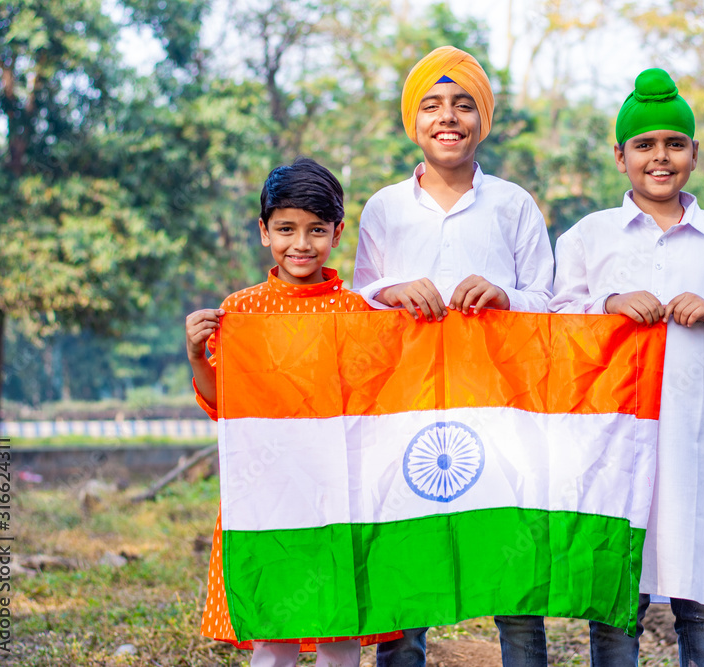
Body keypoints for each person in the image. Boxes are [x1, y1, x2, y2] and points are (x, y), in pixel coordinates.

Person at [548, 68, 704, 667]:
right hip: (614, 451)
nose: (660, 157)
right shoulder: (587, 238)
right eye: (644, 145)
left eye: (674, 143)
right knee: (619, 604)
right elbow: (555, 324)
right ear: (620, 155)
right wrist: (609, 306)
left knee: (703, 601)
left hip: (695, 449)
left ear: (694, 154)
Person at [353, 46, 555, 667]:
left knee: (514, 571)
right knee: (403, 572)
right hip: (405, 416)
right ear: (413, 123)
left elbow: (551, 304)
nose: (449, 117)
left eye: (463, 104)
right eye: (433, 105)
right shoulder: (384, 208)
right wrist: (387, 292)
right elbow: (357, 307)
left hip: (500, 414)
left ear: (483, 119)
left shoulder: (514, 204)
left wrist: (505, 298)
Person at [185, 157, 402, 667]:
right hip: (268, 496)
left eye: (315, 230)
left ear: (337, 233)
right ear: (264, 231)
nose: (300, 244)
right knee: (273, 634)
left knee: (341, 635)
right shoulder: (240, 312)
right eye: (286, 229)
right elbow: (225, 409)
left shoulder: (359, 313)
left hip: (342, 497)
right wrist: (198, 355)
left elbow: (383, 404)